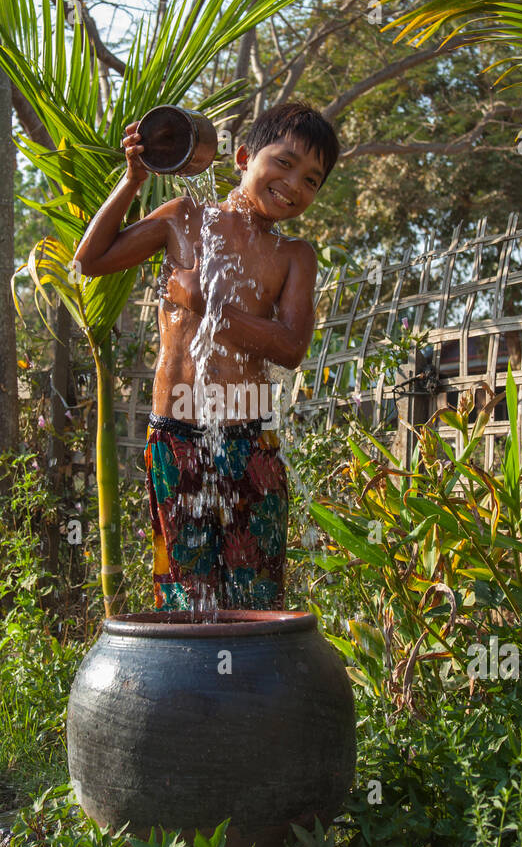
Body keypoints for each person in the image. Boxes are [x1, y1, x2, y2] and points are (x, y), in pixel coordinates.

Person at [74, 102, 340, 612]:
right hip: (175, 435)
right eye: (283, 163)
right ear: (243, 157)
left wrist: (204, 303)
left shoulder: (294, 256)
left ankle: (250, 689)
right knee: (183, 593)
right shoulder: (184, 218)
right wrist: (132, 181)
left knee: (256, 596)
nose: (293, 185)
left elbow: (289, 348)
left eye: (312, 180)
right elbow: (90, 260)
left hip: (249, 440)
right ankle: (191, 690)